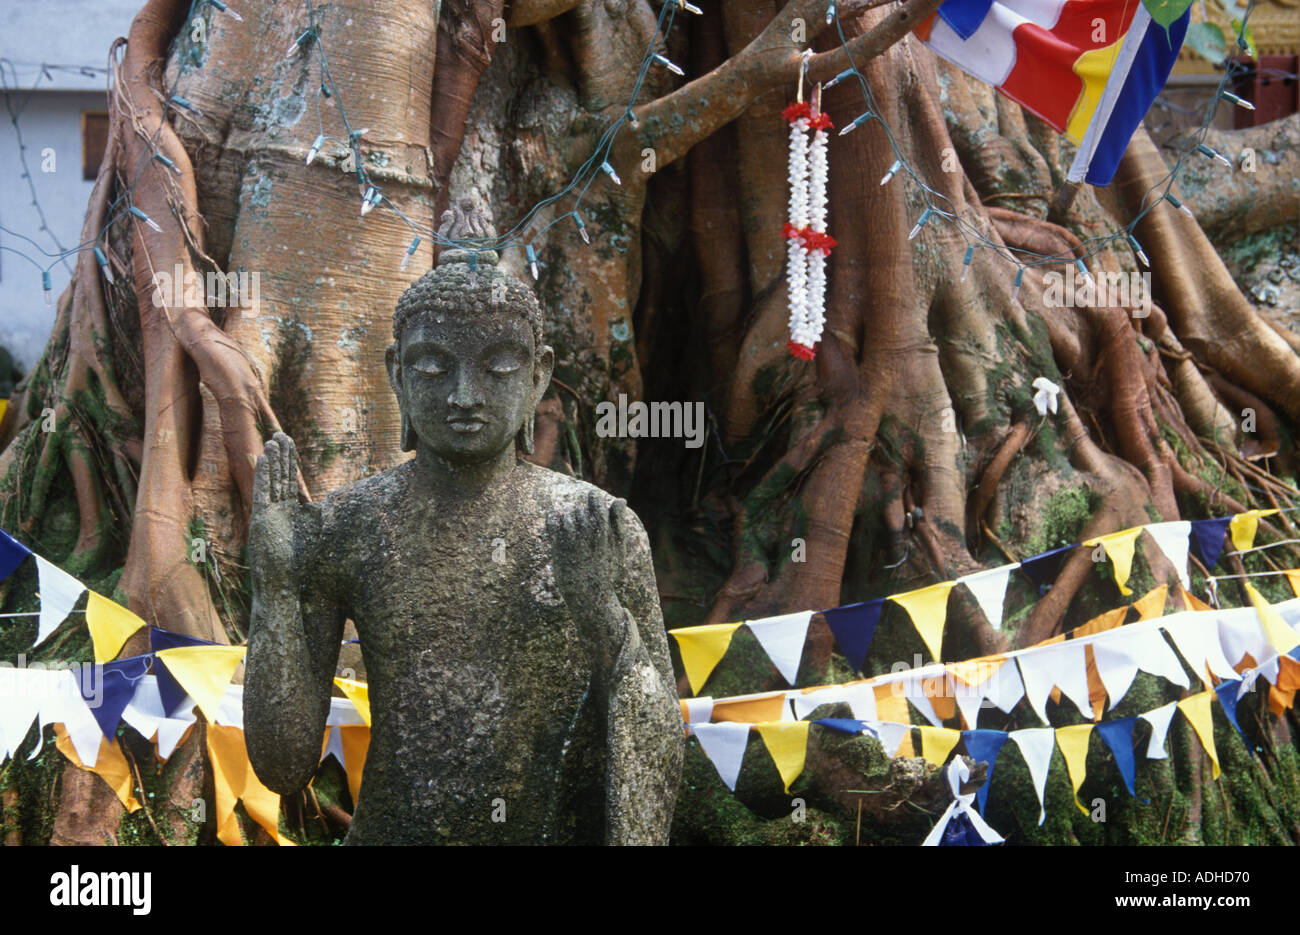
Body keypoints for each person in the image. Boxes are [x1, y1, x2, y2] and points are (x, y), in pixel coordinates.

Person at [243, 201, 683, 844]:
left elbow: (657, 746)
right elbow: (281, 767)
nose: (464, 396)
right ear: (397, 374)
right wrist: (276, 591)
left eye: (499, 366)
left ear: (539, 375)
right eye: (432, 367)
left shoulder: (595, 525)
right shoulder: (346, 528)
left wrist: (608, 629)